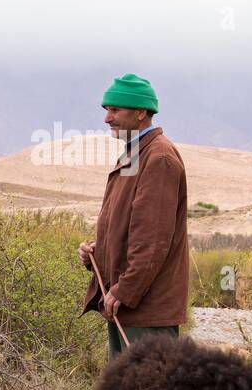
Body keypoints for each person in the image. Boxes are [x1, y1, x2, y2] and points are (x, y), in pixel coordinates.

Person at [78, 73, 189, 358]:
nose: (107, 118)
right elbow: (129, 229)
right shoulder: (135, 154)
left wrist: (124, 291)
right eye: (106, 110)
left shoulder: (158, 159)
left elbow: (151, 242)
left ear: (141, 112)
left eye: (115, 110)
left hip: (146, 310)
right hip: (129, 303)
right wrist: (97, 252)